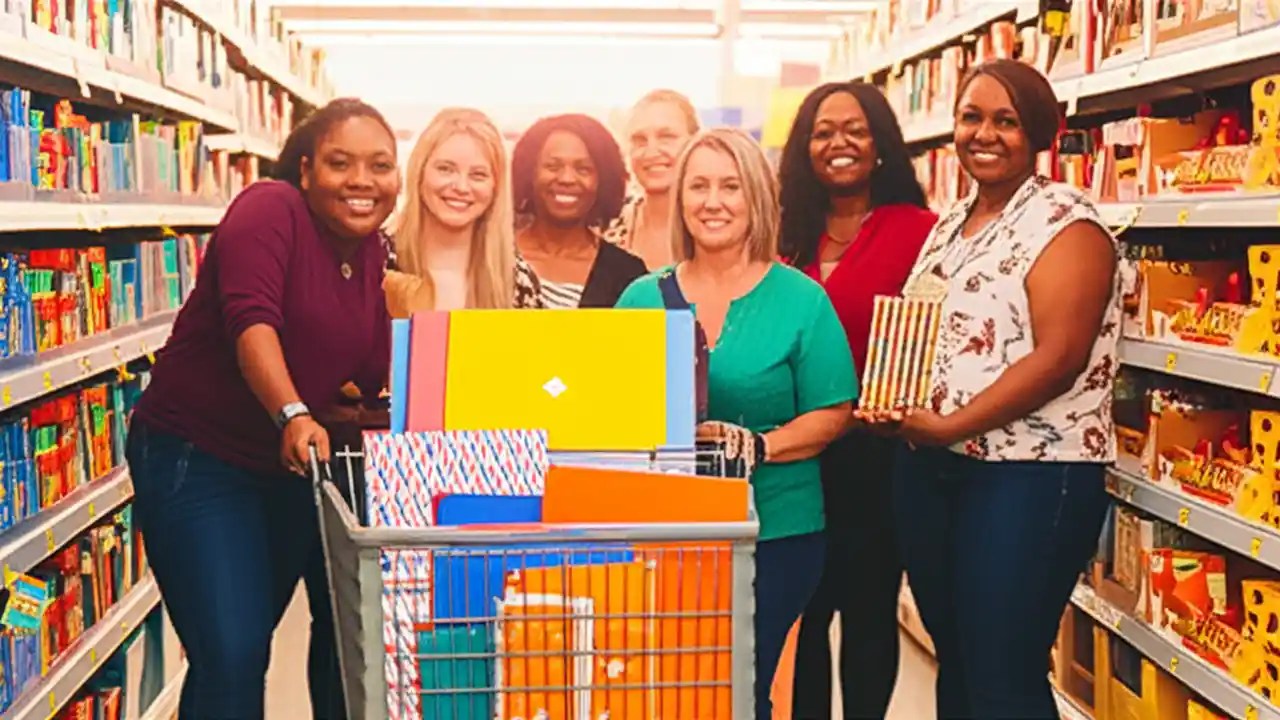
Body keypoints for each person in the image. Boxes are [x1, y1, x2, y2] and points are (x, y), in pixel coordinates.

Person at [124, 98, 401, 719]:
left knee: (249, 649)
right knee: (232, 650)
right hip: (199, 456)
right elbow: (251, 320)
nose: (362, 181)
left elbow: (365, 374)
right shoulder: (269, 209)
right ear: (304, 171)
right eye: (340, 163)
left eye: (380, 165)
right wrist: (292, 413)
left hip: (289, 471)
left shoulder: (373, 253)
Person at [861, 59, 1118, 719]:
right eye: (972, 117)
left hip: (1029, 476)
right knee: (962, 665)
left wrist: (951, 425)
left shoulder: (1068, 222)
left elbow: (1061, 356)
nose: (985, 133)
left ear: (1040, 131)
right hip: (931, 469)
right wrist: (900, 406)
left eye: (1006, 120)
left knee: (1003, 675)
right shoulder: (950, 223)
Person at [614, 127, 857, 719]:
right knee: (665, 695)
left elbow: (834, 411)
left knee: (740, 690)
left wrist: (761, 445)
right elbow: (609, 406)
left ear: (757, 198)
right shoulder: (642, 298)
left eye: (730, 186)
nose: (712, 201)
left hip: (773, 534)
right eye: (698, 186)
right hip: (661, 533)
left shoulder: (802, 299)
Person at [779, 81, 938, 720]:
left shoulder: (922, 231)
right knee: (803, 613)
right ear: (804, 148)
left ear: (879, 144)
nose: (838, 143)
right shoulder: (782, 232)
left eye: (855, 129)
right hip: (793, 454)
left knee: (870, 610)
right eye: (822, 131)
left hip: (879, 455)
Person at [382, 107, 542, 315]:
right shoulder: (376, 261)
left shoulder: (517, 280)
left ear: (496, 187)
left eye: (478, 175)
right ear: (419, 172)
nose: (461, 187)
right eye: (445, 169)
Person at [512, 112, 646, 307]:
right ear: (529, 172)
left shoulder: (628, 276)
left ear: (603, 180)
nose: (567, 179)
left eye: (583, 169)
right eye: (552, 166)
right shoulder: (492, 257)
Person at [603, 89, 700, 269]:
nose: (651, 151)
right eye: (639, 140)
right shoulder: (607, 229)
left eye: (666, 137)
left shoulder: (716, 225)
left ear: (696, 142)